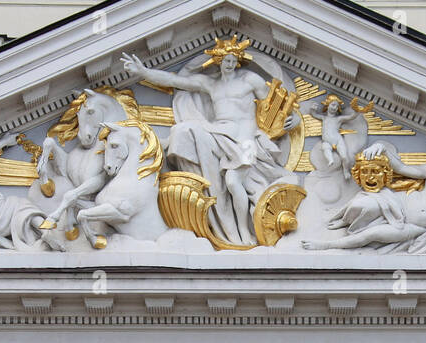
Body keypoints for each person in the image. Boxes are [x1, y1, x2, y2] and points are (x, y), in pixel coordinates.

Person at [120, 36, 298, 246]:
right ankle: (207, 196)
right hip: (219, 132)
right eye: (226, 60)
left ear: (238, 60)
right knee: (184, 130)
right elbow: (176, 81)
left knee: (233, 182)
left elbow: (277, 103)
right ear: (218, 61)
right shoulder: (211, 84)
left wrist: (293, 118)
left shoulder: (249, 80)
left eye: (233, 60)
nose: (230, 65)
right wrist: (144, 73)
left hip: (245, 137)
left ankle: (242, 231)